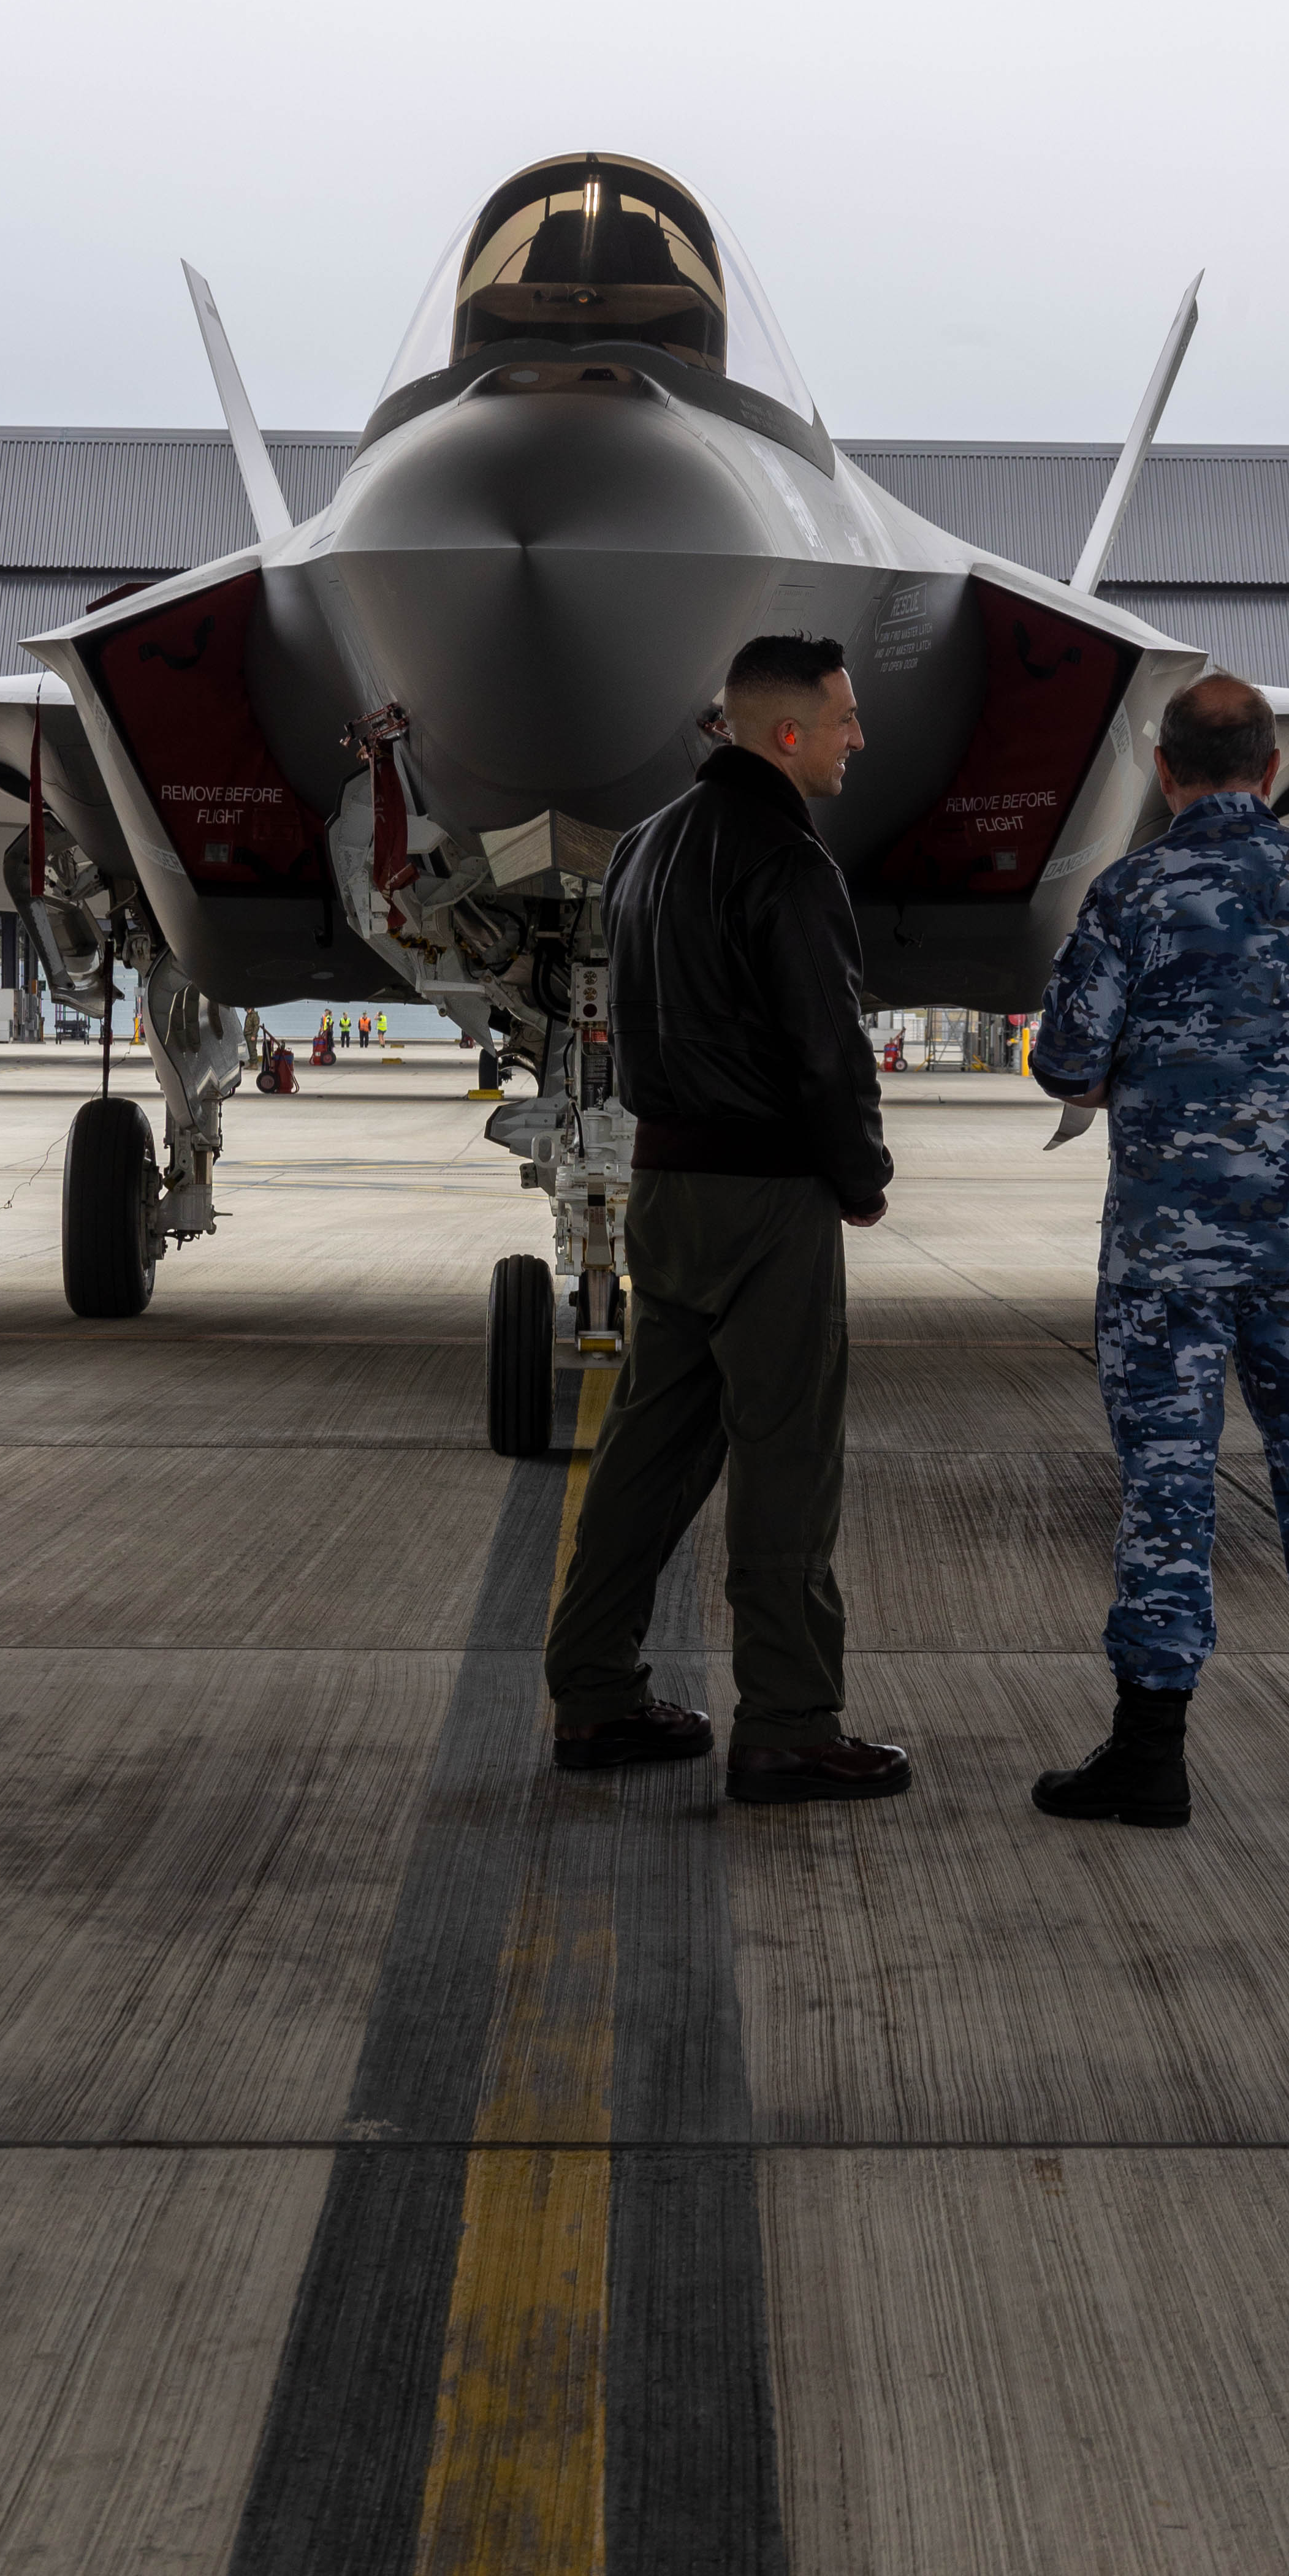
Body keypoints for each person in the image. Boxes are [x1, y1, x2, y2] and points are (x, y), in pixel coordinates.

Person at [1029, 672, 1289, 1828]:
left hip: (1168, 1263)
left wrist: (1170, 1075)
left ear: (1165, 769)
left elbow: (1065, 1067)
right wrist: (1287, 1073)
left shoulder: (1129, 894)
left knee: (1166, 1493)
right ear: (1268, 768)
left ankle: (1150, 1755)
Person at [542, 633, 905, 1806]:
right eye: (844, 719)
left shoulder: (645, 849)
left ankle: (593, 1692)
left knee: (649, 1449)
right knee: (787, 1461)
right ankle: (791, 1723)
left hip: (668, 1186)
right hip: (765, 1197)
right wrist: (860, 1175)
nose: (859, 737)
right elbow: (825, 1046)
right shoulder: (787, 861)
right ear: (784, 732)